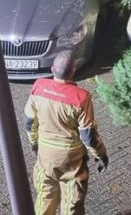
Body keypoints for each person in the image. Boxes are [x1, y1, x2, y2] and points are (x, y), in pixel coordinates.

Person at [24, 52, 109, 215]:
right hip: (72, 160)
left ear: (52, 69)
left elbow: (29, 122)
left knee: (44, 197)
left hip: (46, 156)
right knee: (72, 204)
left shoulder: (38, 88)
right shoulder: (81, 98)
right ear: (73, 71)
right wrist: (101, 155)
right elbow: (88, 136)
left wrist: (34, 143)